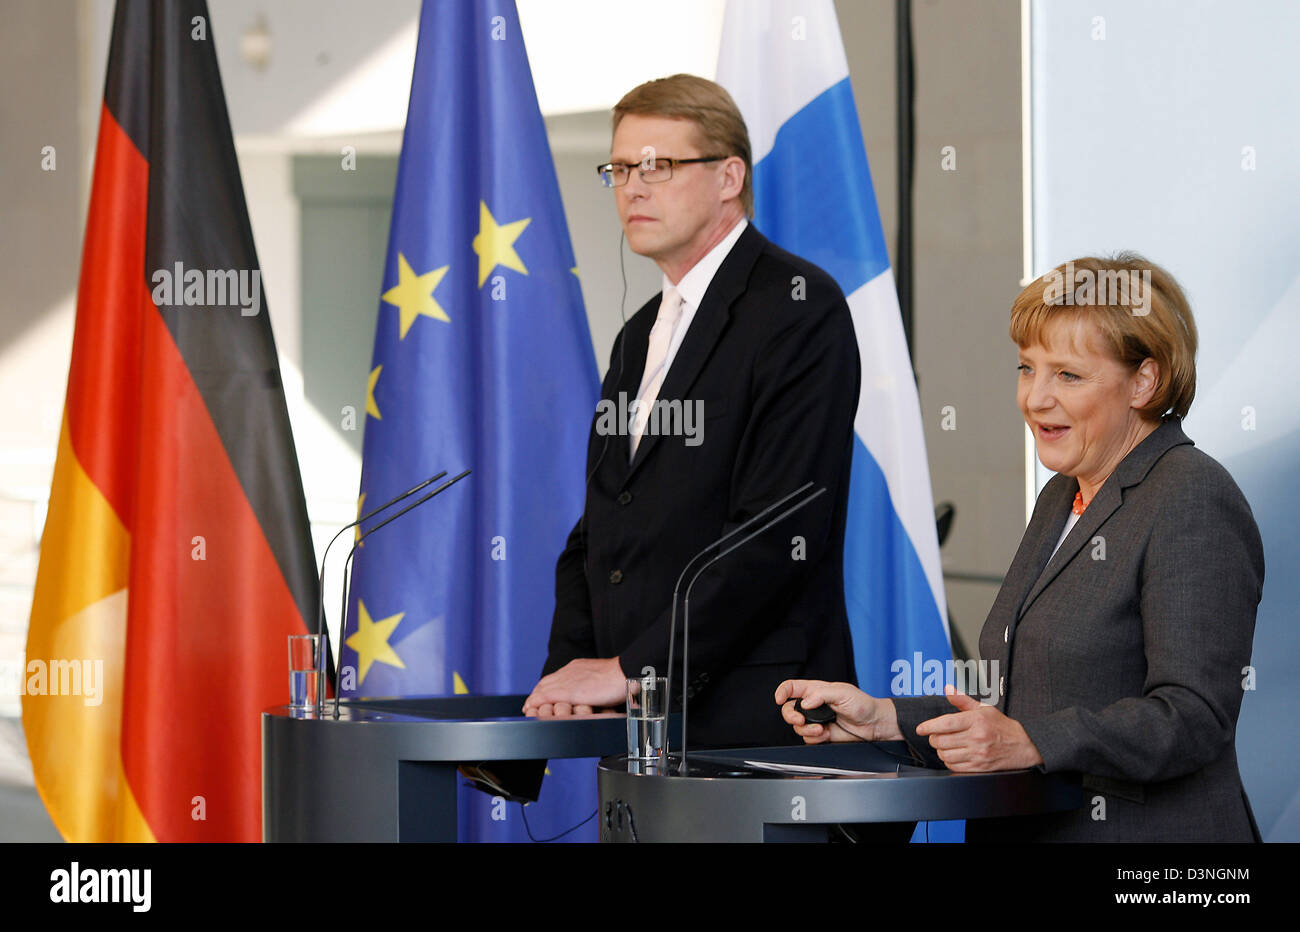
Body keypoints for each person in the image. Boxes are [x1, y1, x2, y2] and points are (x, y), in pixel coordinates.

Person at [777, 255, 1265, 841]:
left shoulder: (1191, 495)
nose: (1035, 398)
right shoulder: (1063, 494)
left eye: (1068, 375)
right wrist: (885, 718)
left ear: (1144, 382)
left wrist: (1033, 743)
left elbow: (1193, 716)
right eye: (1027, 368)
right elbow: (1018, 693)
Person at [522, 74, 860, 748]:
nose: (632, 188)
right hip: (638, 731)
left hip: (759, 723)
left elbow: (775, 534)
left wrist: (631, 669)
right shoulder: (638, 334)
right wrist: (564, 685)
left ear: (729, 177)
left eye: (658, 166)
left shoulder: (798, 307)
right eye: (620, 169)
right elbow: (599, 530)